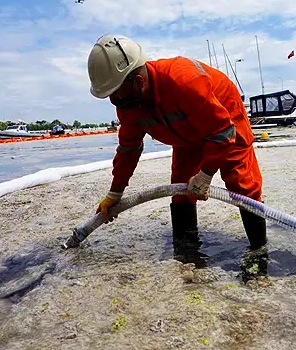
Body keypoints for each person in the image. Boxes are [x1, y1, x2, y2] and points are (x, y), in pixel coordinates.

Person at [86, 35, 267, 252]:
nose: (115, 104)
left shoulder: (184, 82)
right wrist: (115, 193)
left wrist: (206, 175)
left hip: (224, 119)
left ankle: (260, 251)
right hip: (185, 134)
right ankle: (187, 255)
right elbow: (128, 149)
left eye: (116, 97)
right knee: (181, 189)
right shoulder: (128, 103)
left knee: (242, 183)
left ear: (138, 82)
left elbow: (222, 132)